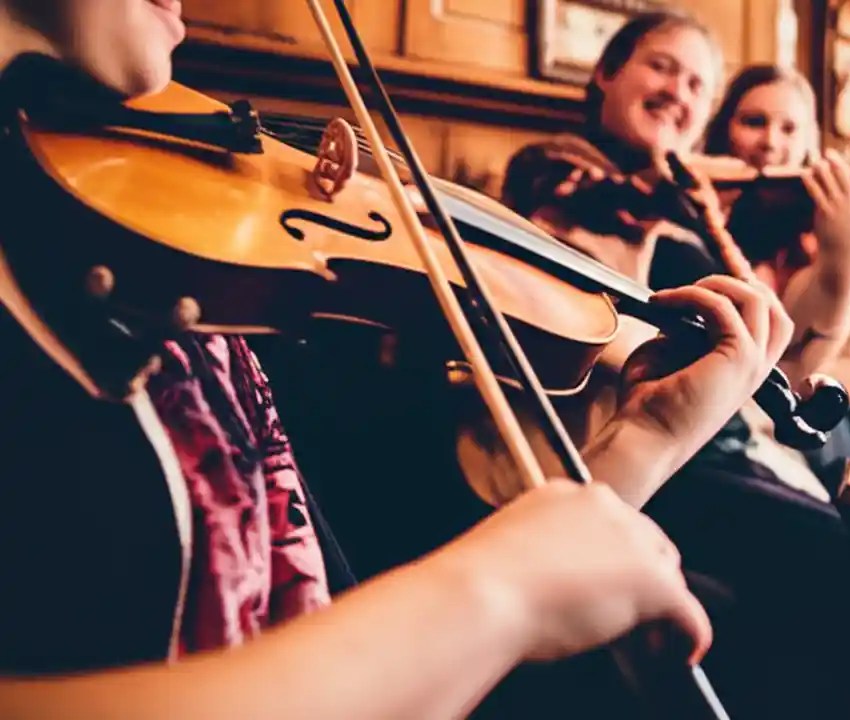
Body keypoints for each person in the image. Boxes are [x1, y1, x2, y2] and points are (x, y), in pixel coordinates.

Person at [0, 2, 797, 717]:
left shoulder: (130, 235)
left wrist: (643, 440)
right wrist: (497, 592)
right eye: (662, 66)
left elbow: (361, 633)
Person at [501, 11, 850, 717]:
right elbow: (599, 201)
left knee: (841, 539)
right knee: (823, 544)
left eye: (697, 82)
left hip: (701, 436)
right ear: (606, 74)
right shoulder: (554, 166)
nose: (678, 90)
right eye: (661, 67)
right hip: (619, 435)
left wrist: (837, 251)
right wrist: (683, 195)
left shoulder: (687, 212)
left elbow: (781, 345)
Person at [702, 62, 850, 470]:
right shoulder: (700, 215)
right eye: (753, 122)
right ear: (724, 128)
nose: (769, 143)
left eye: (788, 129)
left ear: (808, 144)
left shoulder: (830, 226)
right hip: (725, 416)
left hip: (816, 416)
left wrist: (820, 400)